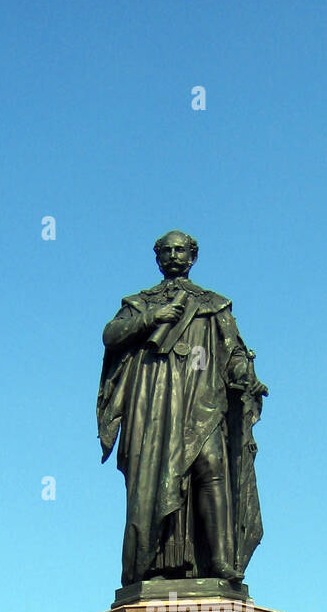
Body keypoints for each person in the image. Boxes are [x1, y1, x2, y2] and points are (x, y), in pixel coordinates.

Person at [97, 231, 268, 586]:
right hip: (156, 401)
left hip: (202, 397)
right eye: (167, 250)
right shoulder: (140, 303)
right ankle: (149, 563)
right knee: (156, 481)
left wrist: (244, 375)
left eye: (181, 250)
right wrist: (151, 318)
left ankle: (222, 561)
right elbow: (111, 336)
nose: (174, 256)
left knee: (212, 465)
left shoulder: (213, 304)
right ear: (157, 258)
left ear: (193, 257)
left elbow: (233, 350)